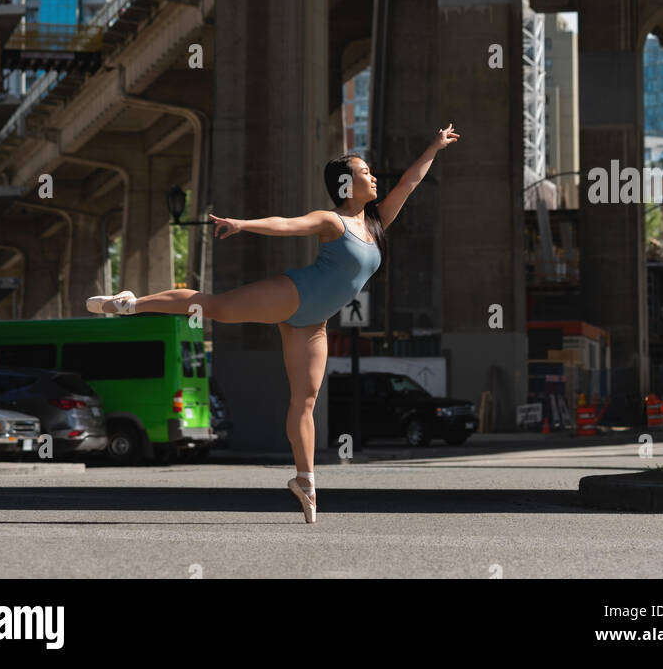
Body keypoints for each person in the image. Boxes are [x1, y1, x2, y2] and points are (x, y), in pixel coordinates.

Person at [87, 124, 459, 521]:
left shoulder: (377, 222)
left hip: (314, 323)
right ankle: (130, 302)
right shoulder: (332, 221)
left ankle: (305, 480)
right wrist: (242, 225)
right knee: (215, 307)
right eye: (364, 172)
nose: (372, 177)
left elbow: (410, 181)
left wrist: (434, 145)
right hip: (293, 295)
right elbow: (286, 223)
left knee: (305, 401)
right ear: (346, 185)